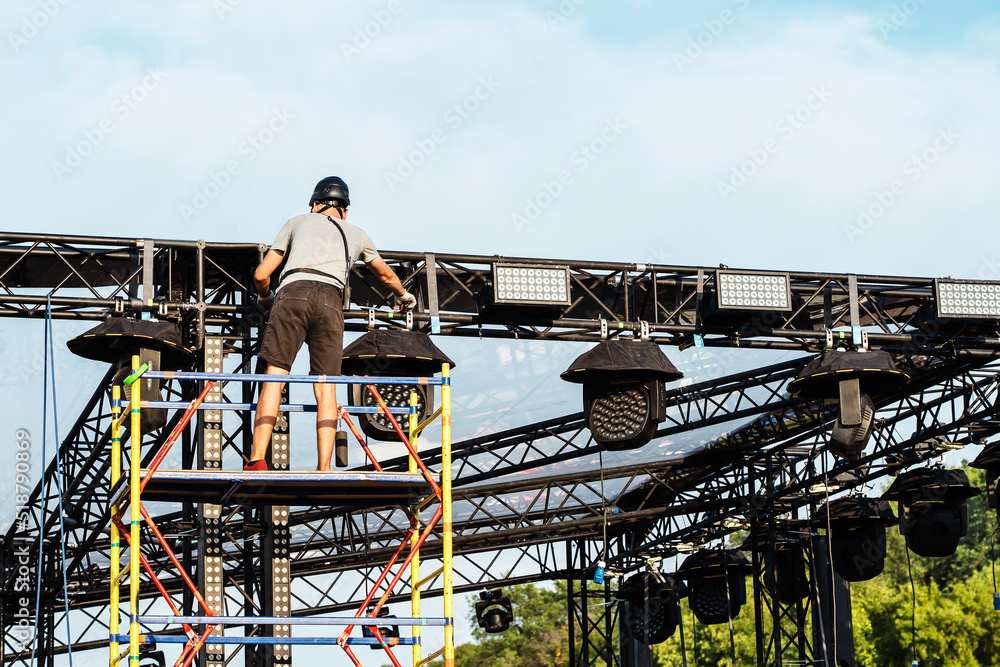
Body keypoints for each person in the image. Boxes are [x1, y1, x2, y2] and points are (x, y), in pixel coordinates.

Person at [246, 176, 415, 471]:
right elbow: (386, 275)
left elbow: (262, 275)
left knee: (275, 376)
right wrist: (404, 296)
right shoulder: (357, 233)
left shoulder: (297, 222)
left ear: (315, 205)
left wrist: (266, 298)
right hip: (331, 300)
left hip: (292, 293)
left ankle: (258, 459)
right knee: (326, 386)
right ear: (345, 211)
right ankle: (323, 468)